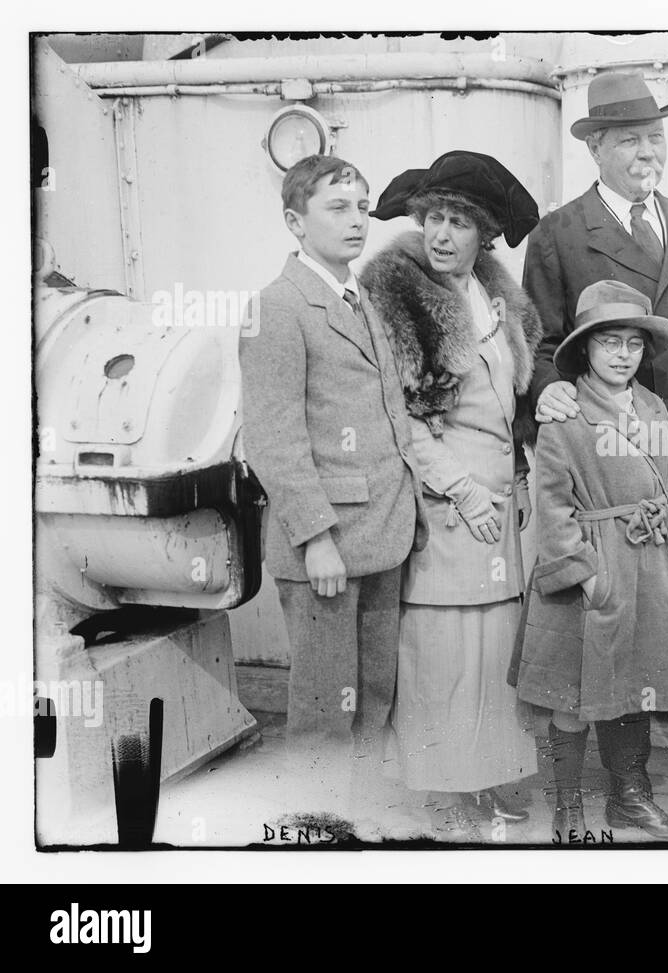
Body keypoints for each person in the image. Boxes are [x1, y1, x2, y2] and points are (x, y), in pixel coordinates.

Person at [522, 70, 668, 806]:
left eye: (655, 137)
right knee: (621, 614)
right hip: (603, 451)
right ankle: (628, 773)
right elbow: (536, 341)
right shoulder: (559, 232)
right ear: (595, 150)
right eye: (629, 140)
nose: (647, 152)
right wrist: (545, 388)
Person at [360, 150, 542, 840]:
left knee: (494, 639)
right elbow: (396, 416)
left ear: (484, 234)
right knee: (441, 639)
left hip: (499, 488)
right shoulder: (394, 293)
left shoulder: (495, 293)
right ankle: (446, 781)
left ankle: (490, 769)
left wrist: (518, 475)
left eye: (457, 221)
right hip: (443, 496)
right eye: (432, 217)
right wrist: (461, 489)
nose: (440, 234)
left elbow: (508, 398)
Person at [239, 155, 427, 818]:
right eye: (338, 207)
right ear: (295, 221)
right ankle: (317, 830)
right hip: (327, 547)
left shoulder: (359, 297)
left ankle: (363, 815)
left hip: (381, 537)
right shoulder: (279, 307)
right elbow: (273, 438)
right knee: (324, 703)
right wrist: (315, 538)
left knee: (375, 692)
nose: (358, 220)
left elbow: (390, 414)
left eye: (363, 205)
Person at [512, 280, 668, 841]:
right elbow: (552, 504)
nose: (622, 354)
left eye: (634, 343)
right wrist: (584, 575)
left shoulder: (654, 407)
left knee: (635, 682)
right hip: (595, 566)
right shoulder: (565, 413)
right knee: (575, 693)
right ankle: (566, 805)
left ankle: (628, 796)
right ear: (585, 348)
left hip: (654, 566)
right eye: (609, 342)